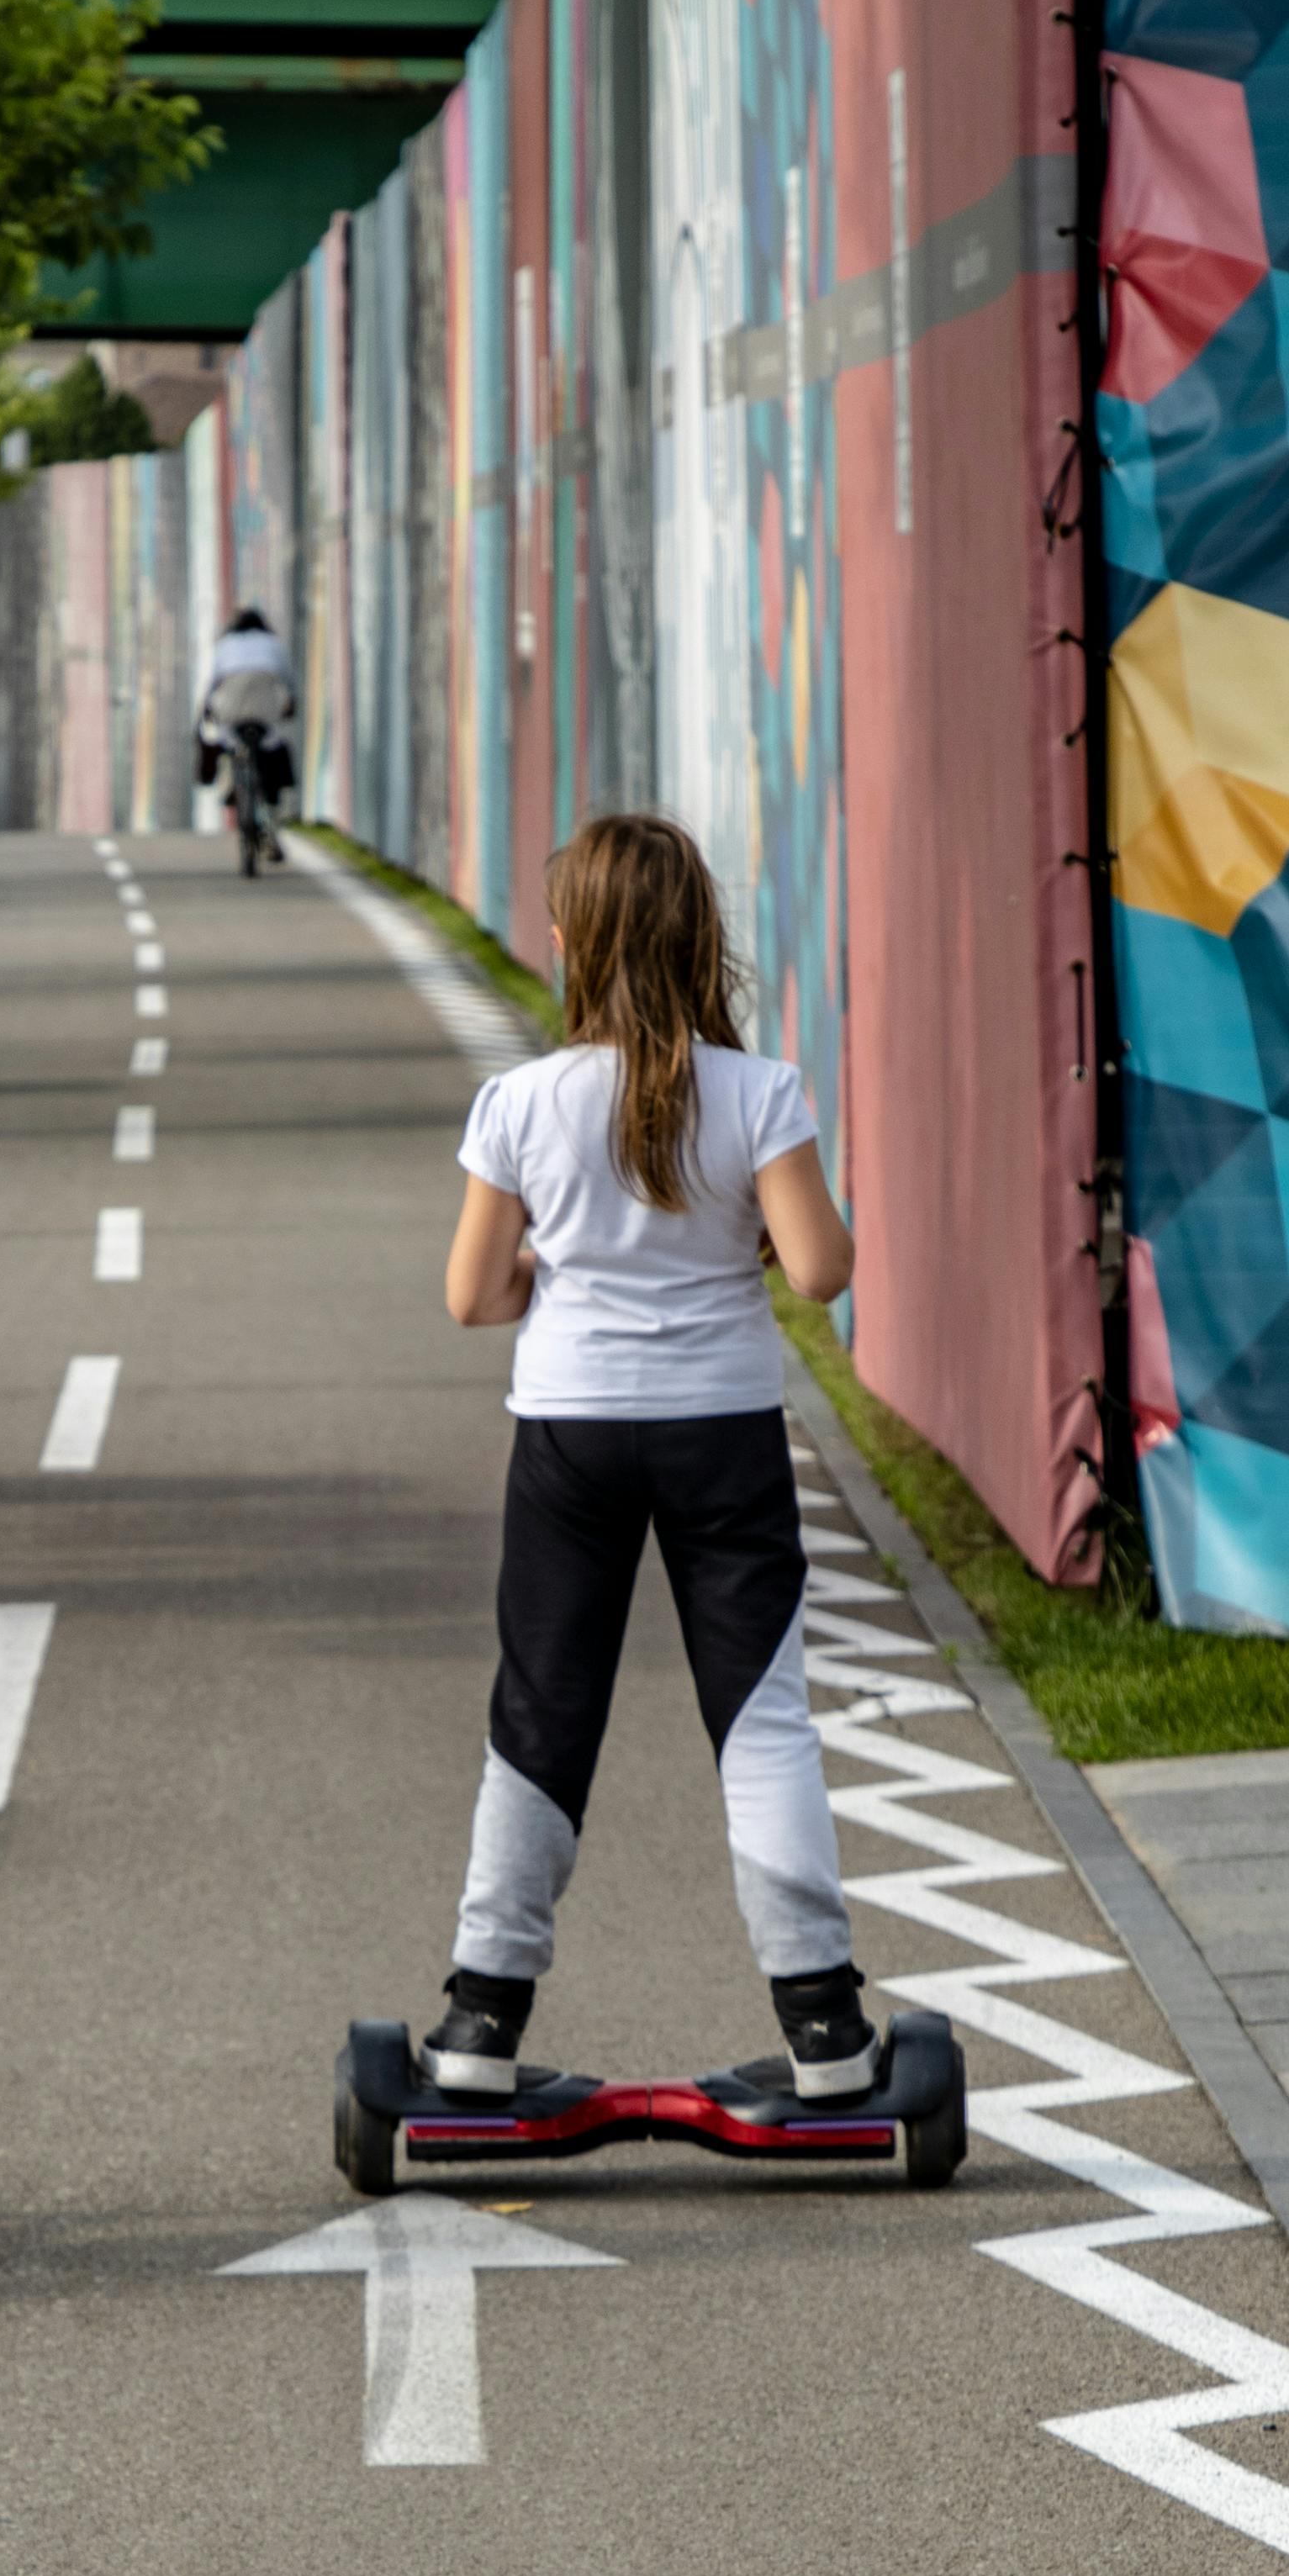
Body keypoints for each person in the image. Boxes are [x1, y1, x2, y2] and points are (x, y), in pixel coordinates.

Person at [422, 810, 874, 2104]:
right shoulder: (760, 1093)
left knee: (542, 1716)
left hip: (569, 1434)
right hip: (722, 1434)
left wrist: (552, 1265)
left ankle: (480, 2020)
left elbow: (472, 1296)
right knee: (760, 1718)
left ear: (570, 945)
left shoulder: (519, 1102)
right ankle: (825, 2025)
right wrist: (754, 1245)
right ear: (701, 941)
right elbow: (825, 1270)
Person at [196, 603, 298, 830]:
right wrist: (291, 703)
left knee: (228, 743)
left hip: (233, 707)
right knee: (274, 744)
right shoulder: (273, 643)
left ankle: (231, 782)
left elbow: (212, 682)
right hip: (265, 706)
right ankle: (272, 800)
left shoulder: (225, 644)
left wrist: (206, 709)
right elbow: (288, 680)